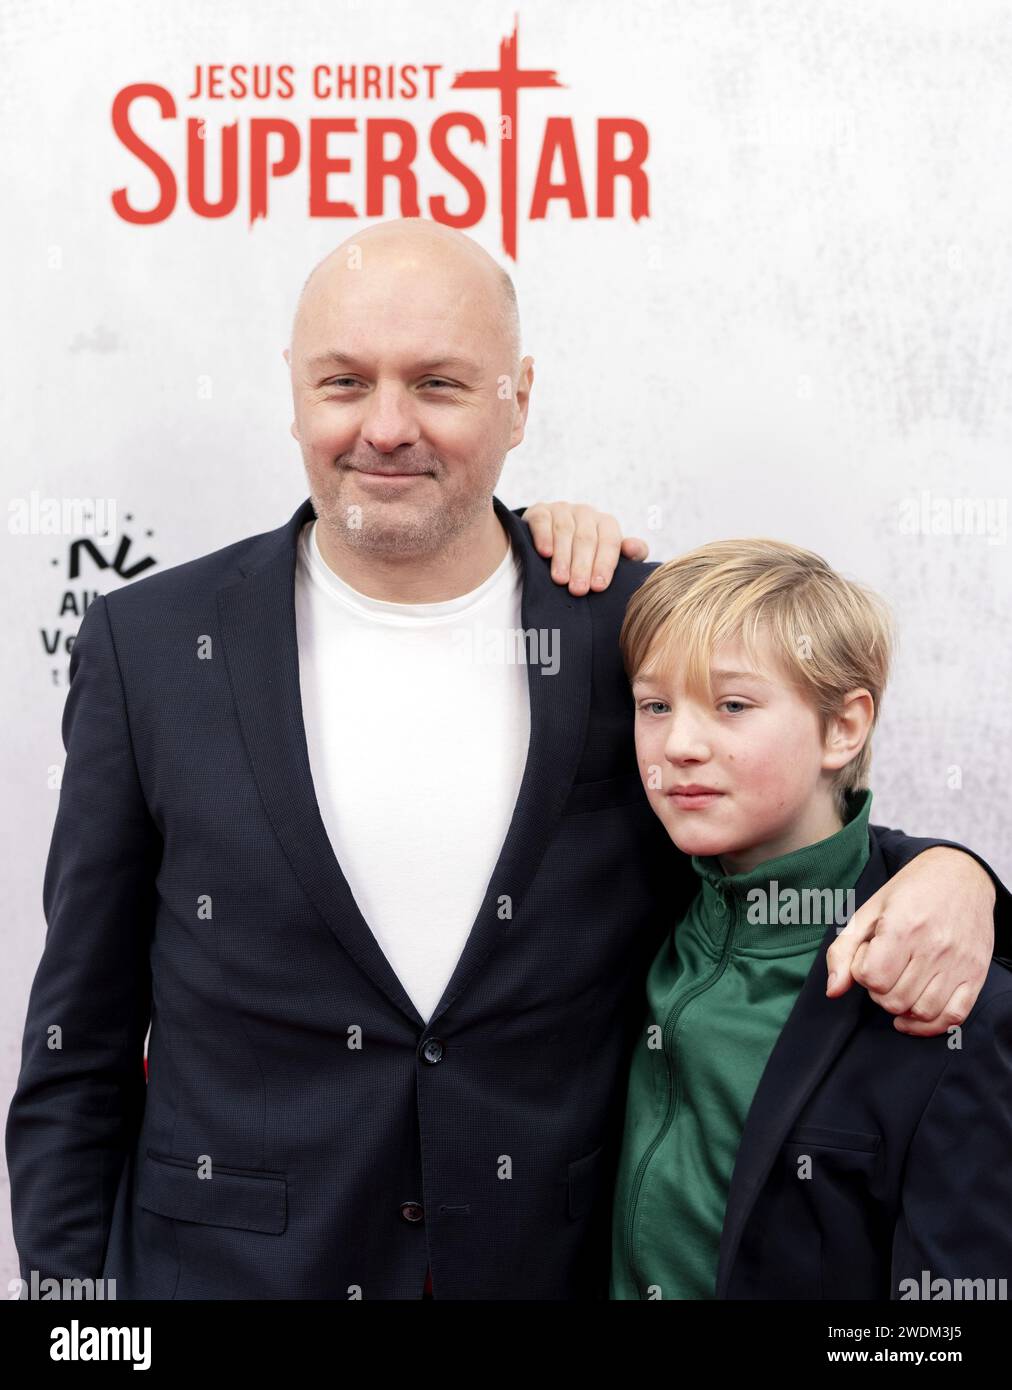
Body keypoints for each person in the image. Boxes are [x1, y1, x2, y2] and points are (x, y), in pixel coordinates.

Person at [6, 218, 1010, 1301]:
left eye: (437, 383)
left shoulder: (623, 624)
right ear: (293, 392)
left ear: (516, 399)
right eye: (344, 383)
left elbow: (784, 830)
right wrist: (73, 1317)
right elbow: (80, 1039)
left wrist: (960, 877)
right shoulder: (149, 643)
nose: (385, 427)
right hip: (233, 1275)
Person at [609, 539, 1012, 1300]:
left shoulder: (951, 1000)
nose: (680, 747)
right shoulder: (636, 900)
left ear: (843, 728)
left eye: (733, 705)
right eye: (655, 705)